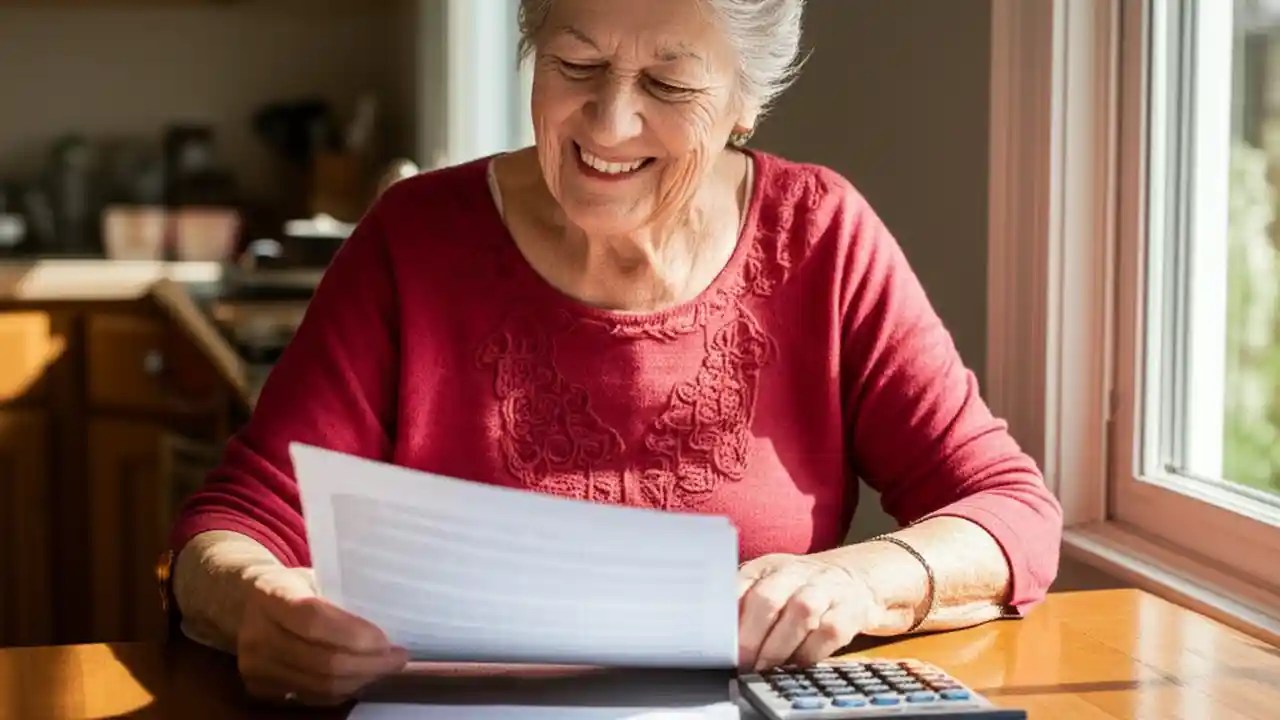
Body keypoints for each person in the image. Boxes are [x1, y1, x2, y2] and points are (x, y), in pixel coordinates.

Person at [167, 0, 1063, 707]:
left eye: (670, 85)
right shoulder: (413, 242)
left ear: (746, 100)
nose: (609, 120)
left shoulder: (820, 236)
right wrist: (262, 607)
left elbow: (1009, 510)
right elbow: (235, 524)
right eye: (576, 64)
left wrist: (864, 581)